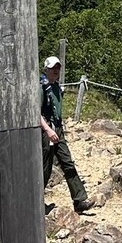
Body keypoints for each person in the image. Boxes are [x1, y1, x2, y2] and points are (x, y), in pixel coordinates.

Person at [40, 56, 92, 213]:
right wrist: (48, 130)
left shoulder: (56, 87)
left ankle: (79, 200)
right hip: (46, 130)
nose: (56, 71)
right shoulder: (41, 88)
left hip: (58, 130)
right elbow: (35, 112)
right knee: (45, 168)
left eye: (58, 68)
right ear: (46, 69)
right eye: (53, 68)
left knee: (67, 162)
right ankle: (35, 201)